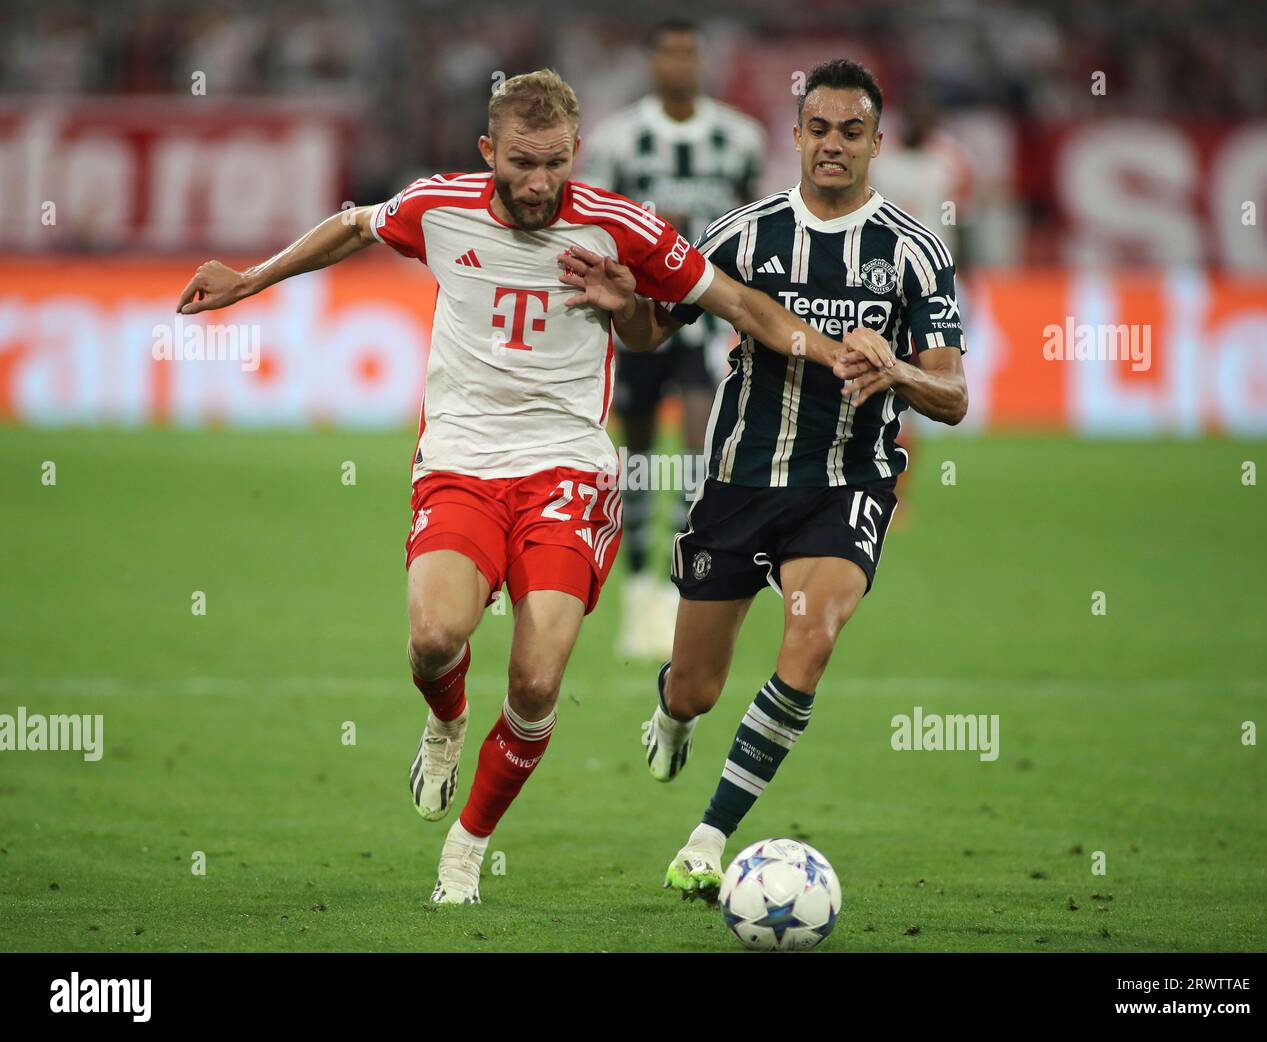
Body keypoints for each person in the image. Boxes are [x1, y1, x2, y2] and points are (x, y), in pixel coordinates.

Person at [177, 68, 879, 905]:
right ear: (489, 153)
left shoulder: (622, 227)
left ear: (576, 152)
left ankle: (466, 852)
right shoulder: (439, 206)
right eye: (521, 164)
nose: (540, 183)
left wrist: (824, 351)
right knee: (436, 637)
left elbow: (734, 302)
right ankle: (444, 723)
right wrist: (252, 279)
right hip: (462, 464)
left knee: (538, 683)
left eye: (555, 163)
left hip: (567, 470)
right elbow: (352, 226)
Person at [558, 59, 969, 902]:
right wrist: (620, 303)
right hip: (739, 483)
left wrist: (896, 372)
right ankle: (671, 713)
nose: (833, 145)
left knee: (809, 642)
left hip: (847, 485)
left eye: (851, 132)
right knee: (698, 685)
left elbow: (954, 395)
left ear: (877, 143)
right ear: (796, 137)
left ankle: (708, 839)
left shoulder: (916, 253)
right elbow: (652, 334)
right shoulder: (741, 234)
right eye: (819, 129)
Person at [581, 19, 766, 659]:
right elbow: (594, 225)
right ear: (652, 61)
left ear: (702, 61)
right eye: (670, 54)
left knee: (695, 446)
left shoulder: (739, 139)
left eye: (691, 55)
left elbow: (753, 227)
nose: (681, 66)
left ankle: (669, 589)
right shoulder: (617, 140)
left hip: (704, 320)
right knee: (632, 454)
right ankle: (634, 588)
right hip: (635, 318)